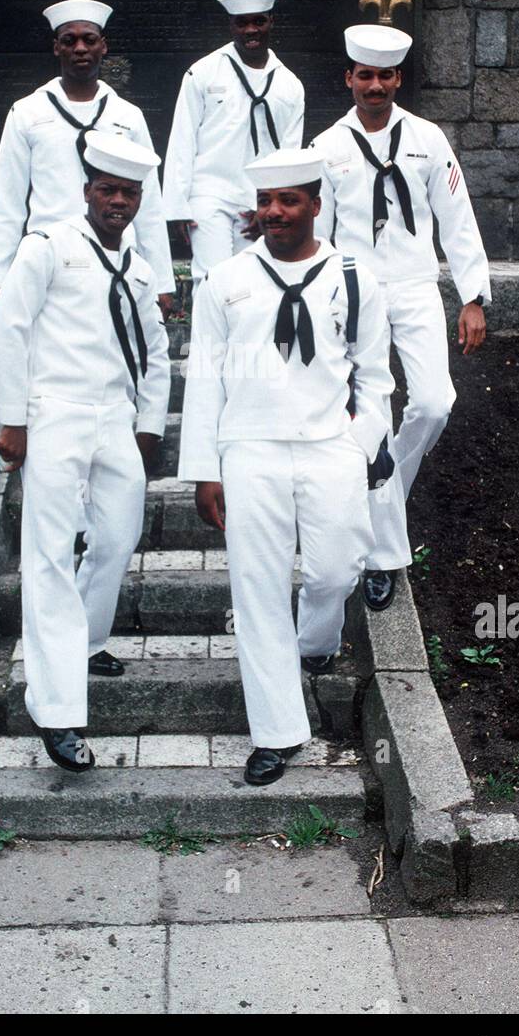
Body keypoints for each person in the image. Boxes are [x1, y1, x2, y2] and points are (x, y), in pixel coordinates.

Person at [178, 148, 395, 786]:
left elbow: (377, 376)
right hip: (251, 449)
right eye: (266, 202)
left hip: (330, 443)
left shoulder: (354, 277)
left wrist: (361, 444)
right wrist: (204, 469)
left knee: (335, 570)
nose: (275, 212)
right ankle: (277, 730)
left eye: (289, 200)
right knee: (257, 590)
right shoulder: (227, 280)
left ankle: (316, 643)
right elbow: (204, 381)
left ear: (315, 205)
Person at [0, 132, 171, 772]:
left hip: (114, 420)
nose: (117, 201)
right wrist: (12, 421)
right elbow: (8, 325)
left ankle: (89, 639)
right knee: (48, 557)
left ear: (140, 200)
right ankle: (58, 712)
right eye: (107, 190)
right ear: (87, 191)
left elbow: (154, 353)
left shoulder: (140, 269)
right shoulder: (49, 248)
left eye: (129, 193)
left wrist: (148, 426)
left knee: (119, 537)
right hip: (55, 415)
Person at [312, 24, 491, 613]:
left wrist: (472, 296)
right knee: (374, 413)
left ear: (397, 80)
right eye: (365, 75)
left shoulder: (427, 138)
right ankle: (384, 555)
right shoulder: (327, 147)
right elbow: (315, 236)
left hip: (415, 285)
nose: (376, 85)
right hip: (354, 289)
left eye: (386, 76)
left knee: (436, 403)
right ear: (349, 78)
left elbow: (457, 216)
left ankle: (379, 494)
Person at [0, 0, 176, 316]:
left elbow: (149, 204)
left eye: (90, 39)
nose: (80, 48)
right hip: (50, 257)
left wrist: (162, 281)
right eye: (69, 41)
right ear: (56, 48)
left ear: (104, 47)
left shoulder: (127, 115)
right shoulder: (27, 112)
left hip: (116, 254)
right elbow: (7, 200)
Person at [162, 0, 305, 284]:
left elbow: (290, 152)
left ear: (271, 22)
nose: (251, 30)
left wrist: (270, 204)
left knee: (253, 282)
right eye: (242, 23)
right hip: (208, 193)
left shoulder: (289, 84)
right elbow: (182, 138)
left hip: (257, 197)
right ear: (231, 26)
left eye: (259, 21)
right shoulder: (203, 72)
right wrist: (178, 206)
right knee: (211, 280)